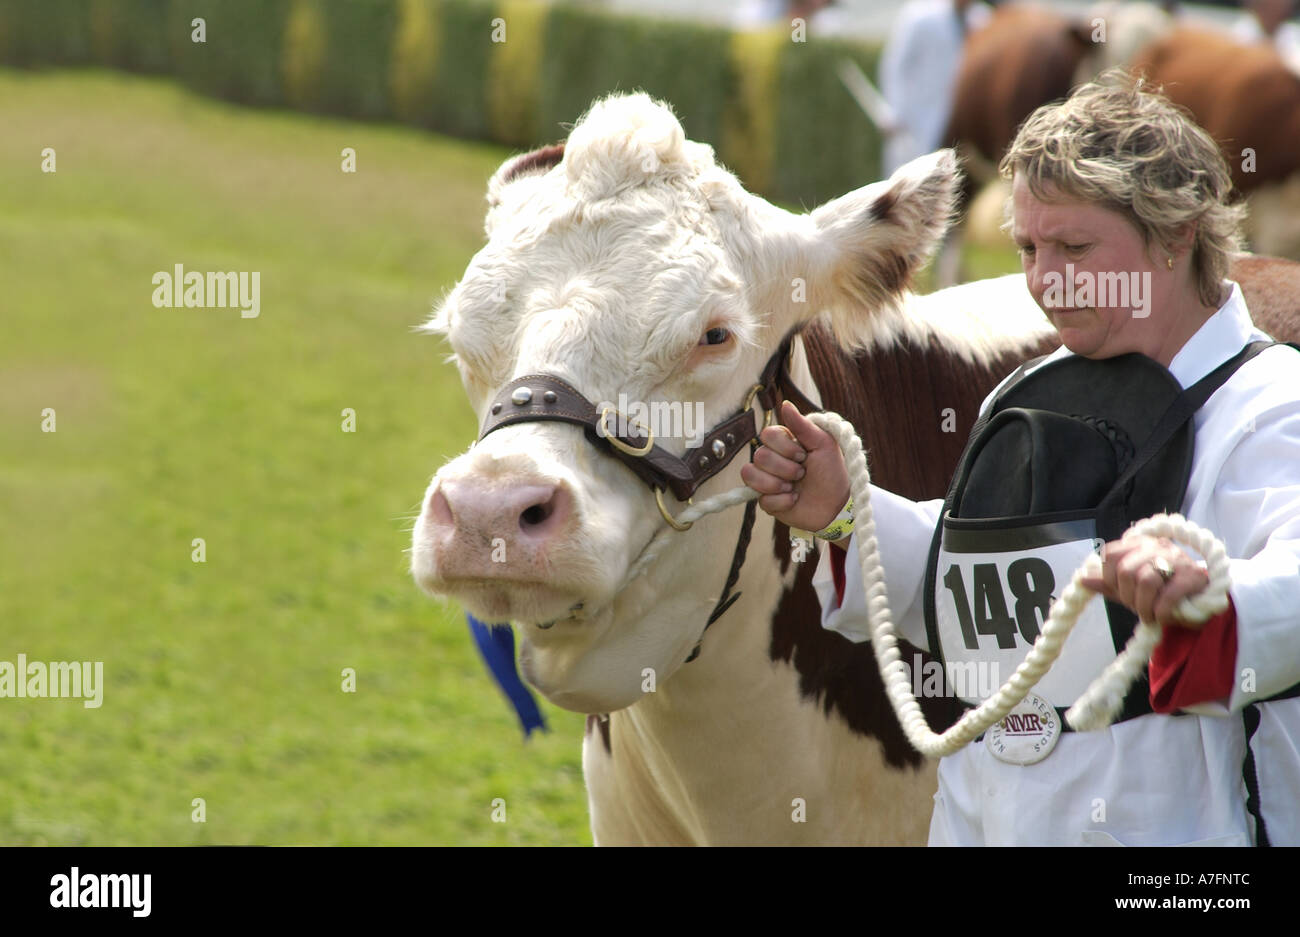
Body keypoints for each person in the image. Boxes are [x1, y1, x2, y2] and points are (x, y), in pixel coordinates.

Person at [741, 72, 1300, 846]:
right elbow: (983, 601)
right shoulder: (1028, 391)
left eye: (1074, 247)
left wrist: (1209, 598)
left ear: (1176, 236)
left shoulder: (1273, 403)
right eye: (1029, 247)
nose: (1043, 279)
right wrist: (849, 511)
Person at [878, 0, 992, 176]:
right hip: (916, 120)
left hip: (957, 122)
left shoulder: (982, 19)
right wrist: (894, 110)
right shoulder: (919, 16)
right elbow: (896, 65)